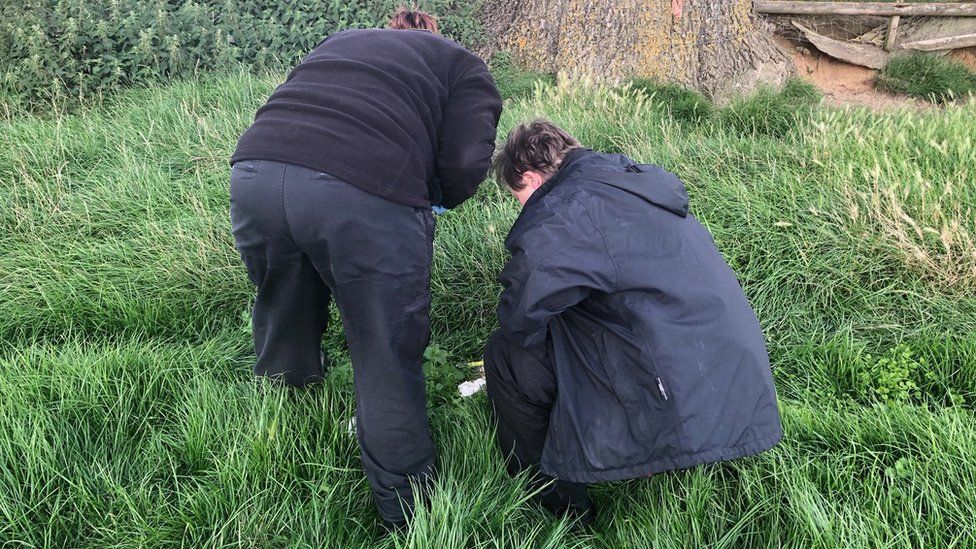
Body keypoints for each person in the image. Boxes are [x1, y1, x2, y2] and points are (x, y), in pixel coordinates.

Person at [228, 9, 502, 529]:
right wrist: (432, 201)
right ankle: (410, 512)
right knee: (384, 346)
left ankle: (281, 427)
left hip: (255, 175)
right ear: (432, 37)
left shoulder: (339, 40)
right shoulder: (461, 64)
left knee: (283, 308)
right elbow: (467, 159)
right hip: (365, 195)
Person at [484, 120, 782, 525]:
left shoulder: (567, 208)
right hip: (729, 376)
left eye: (518, 196)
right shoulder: (632, 182)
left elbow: (521, 314)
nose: (521, 207)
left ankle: (556, 503)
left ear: (532, 178)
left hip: (674, 384)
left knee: (507, 356)